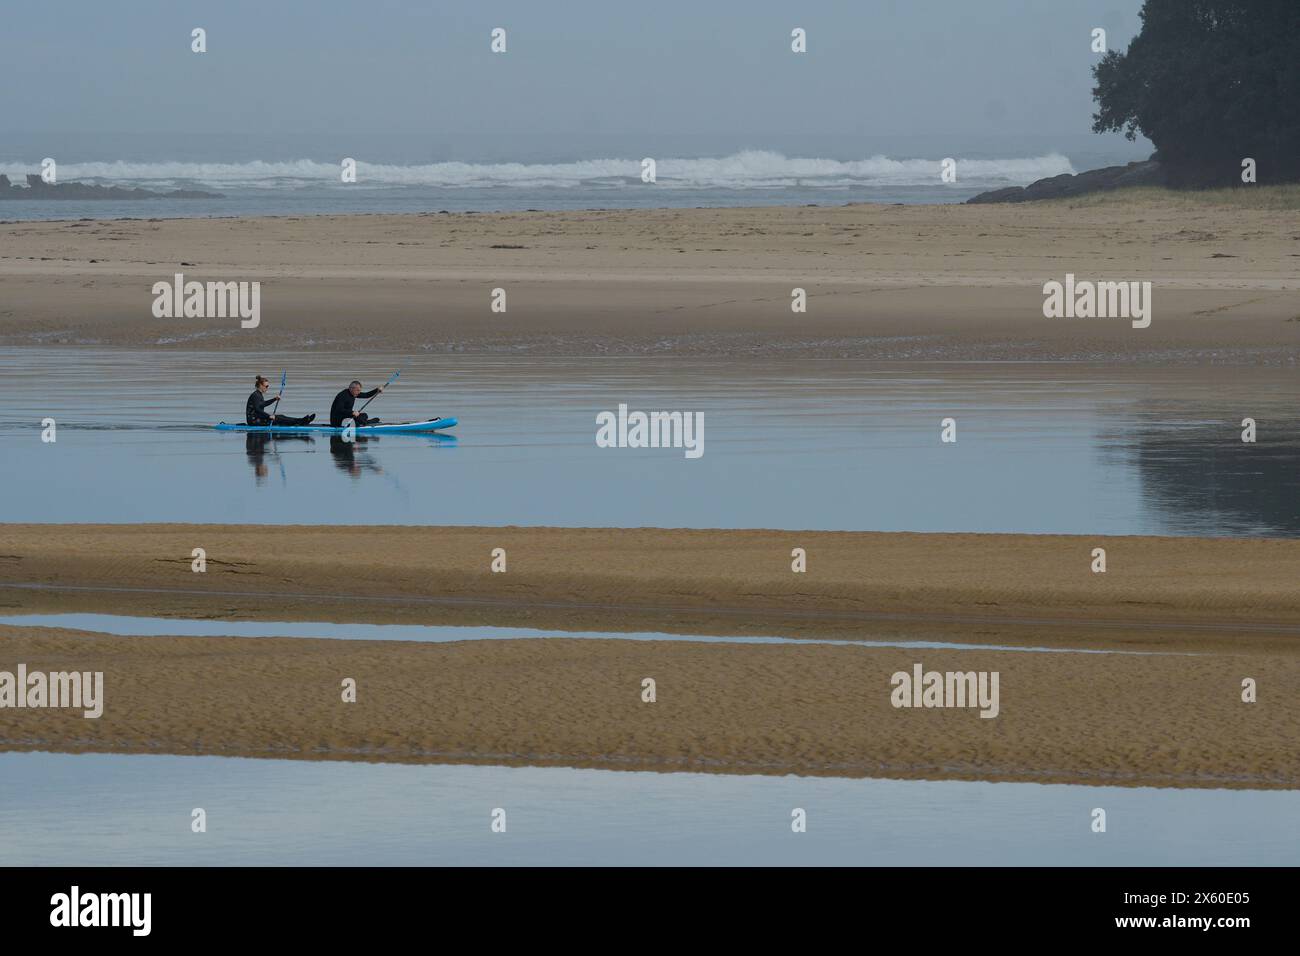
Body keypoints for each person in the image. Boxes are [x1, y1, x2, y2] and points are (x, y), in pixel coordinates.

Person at [246, 375, 315, 426]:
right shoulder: (255, 395)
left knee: (281, 416)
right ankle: (301, 421)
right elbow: (257, 409)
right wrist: (268, 416)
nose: (267, 388)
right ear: (260, 386)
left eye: (268, 386)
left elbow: (263, 404)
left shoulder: (258, 394)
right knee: (278, 418)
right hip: (254, 421)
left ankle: (301, 421)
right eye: (266, 386)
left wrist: (275, 399)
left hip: (258, 418)